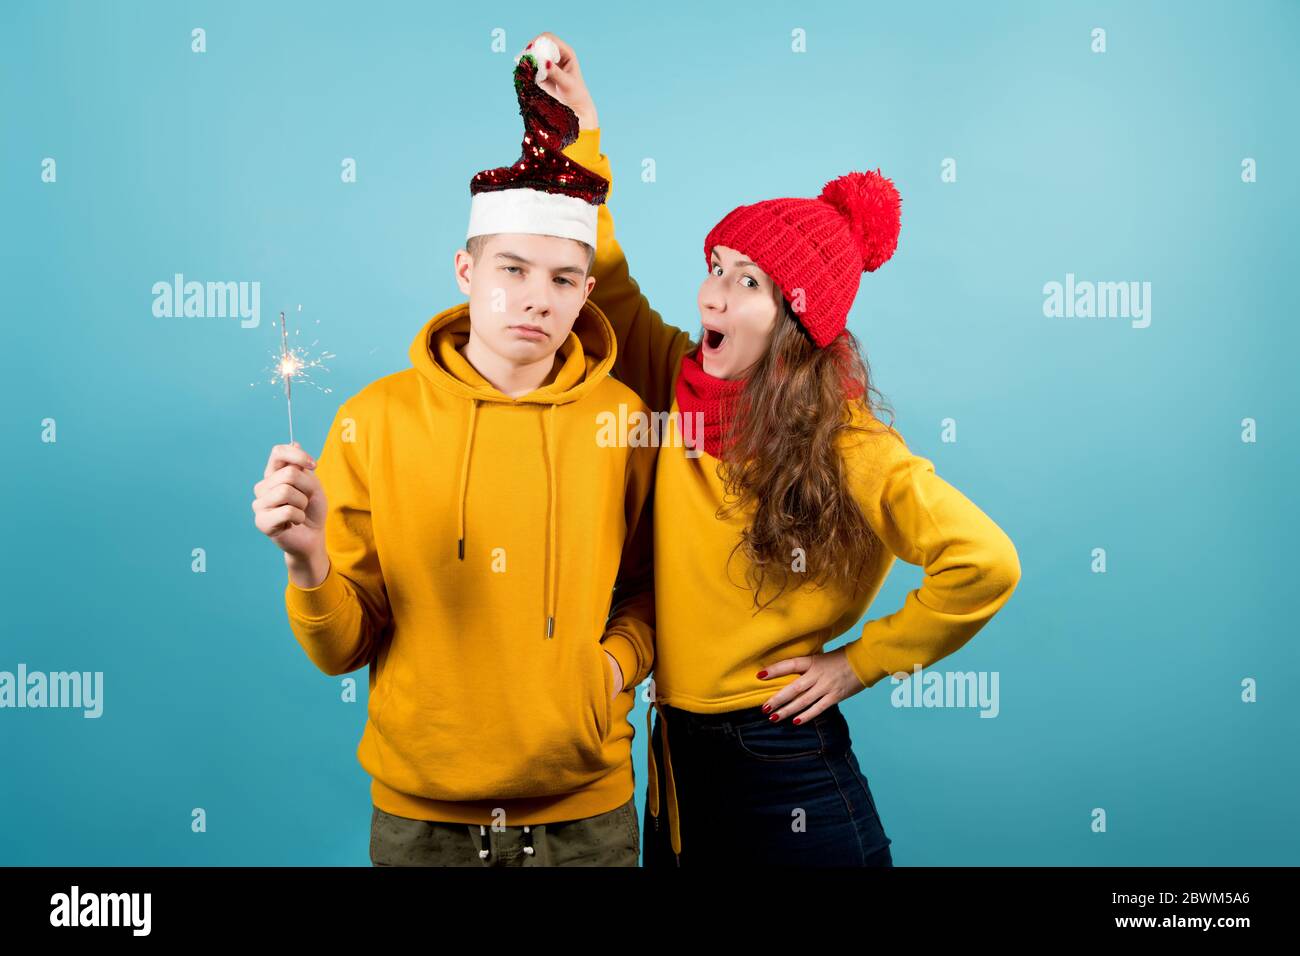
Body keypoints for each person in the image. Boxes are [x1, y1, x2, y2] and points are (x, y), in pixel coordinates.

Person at [532, 32, 1022, 866]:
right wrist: (580, 131)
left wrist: (860, 664)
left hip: (780, 764)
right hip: (677, 758)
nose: (711, 292)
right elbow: (604, 277)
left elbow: (986, 561)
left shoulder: (848, 442)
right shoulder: (678, 378)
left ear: (796, 321)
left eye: (746, 281)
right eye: (716, 265)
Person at [250, 40, 657, 866]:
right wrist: (307, 564)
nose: (536, 299)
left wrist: (610, 671)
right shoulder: (374, 420)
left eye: (562, 278)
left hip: (586, 820)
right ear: (466, 270)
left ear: (586, 290)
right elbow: (342, 649)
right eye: (512, 269)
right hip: (420, 822)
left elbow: (659, 590)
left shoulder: (626, 421)